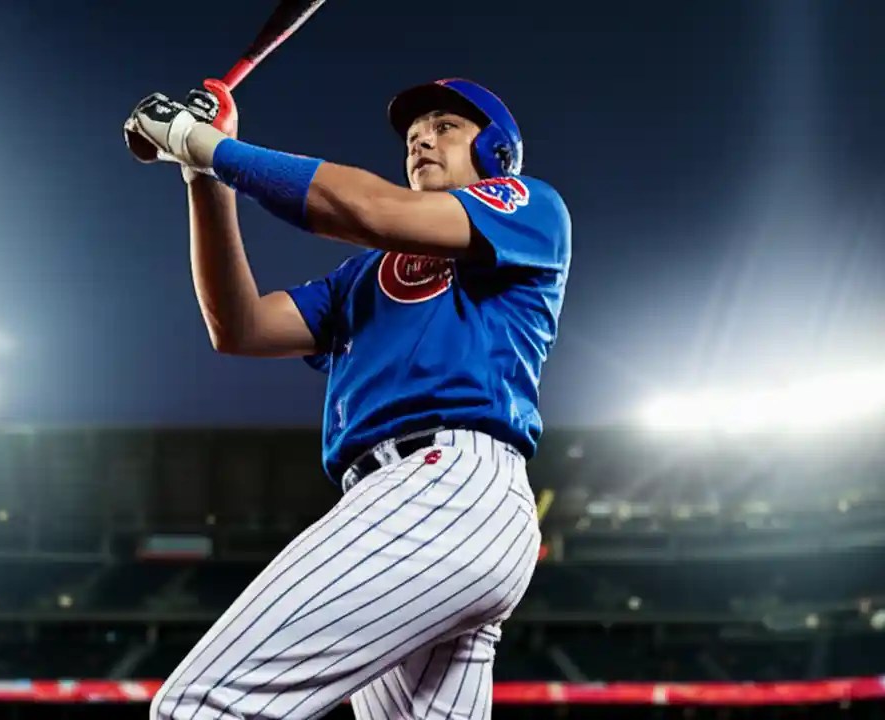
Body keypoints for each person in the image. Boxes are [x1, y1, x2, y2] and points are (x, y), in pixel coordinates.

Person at [124, 76, 571, 720]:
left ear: (497, 150)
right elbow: (241, 326)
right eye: (415, 136)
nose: (422, 141)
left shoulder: (530, 207)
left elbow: (365, 208)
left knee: (201, 706)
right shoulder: (363, 272)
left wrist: (199, 142)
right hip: (410, 503)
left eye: (446, 127)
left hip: (449, 486)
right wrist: (204, 177)